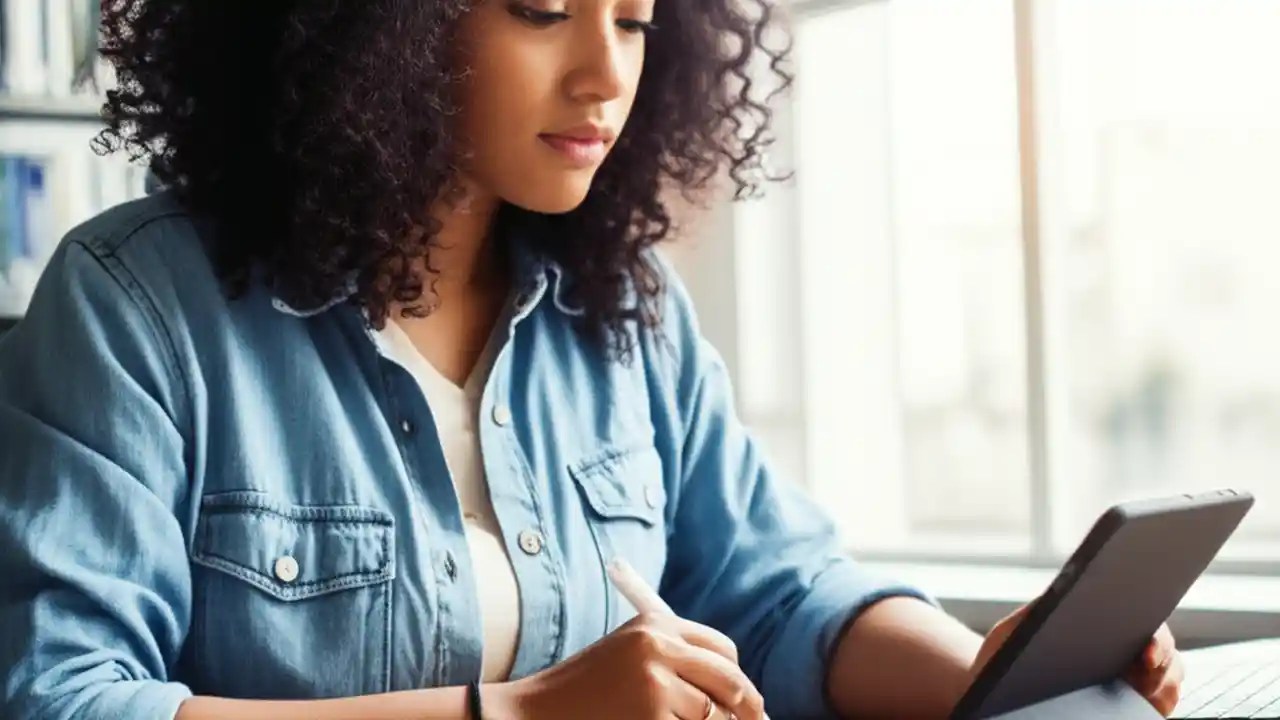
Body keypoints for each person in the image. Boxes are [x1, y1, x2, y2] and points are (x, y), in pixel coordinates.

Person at [0, 2, 1184, 719]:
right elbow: (66, 697)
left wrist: (985, 674)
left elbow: (778, 594)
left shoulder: (628, 312)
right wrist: (512, 713)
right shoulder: (135, 306)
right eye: (537, 8)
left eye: (631, 20)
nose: (604, 74)